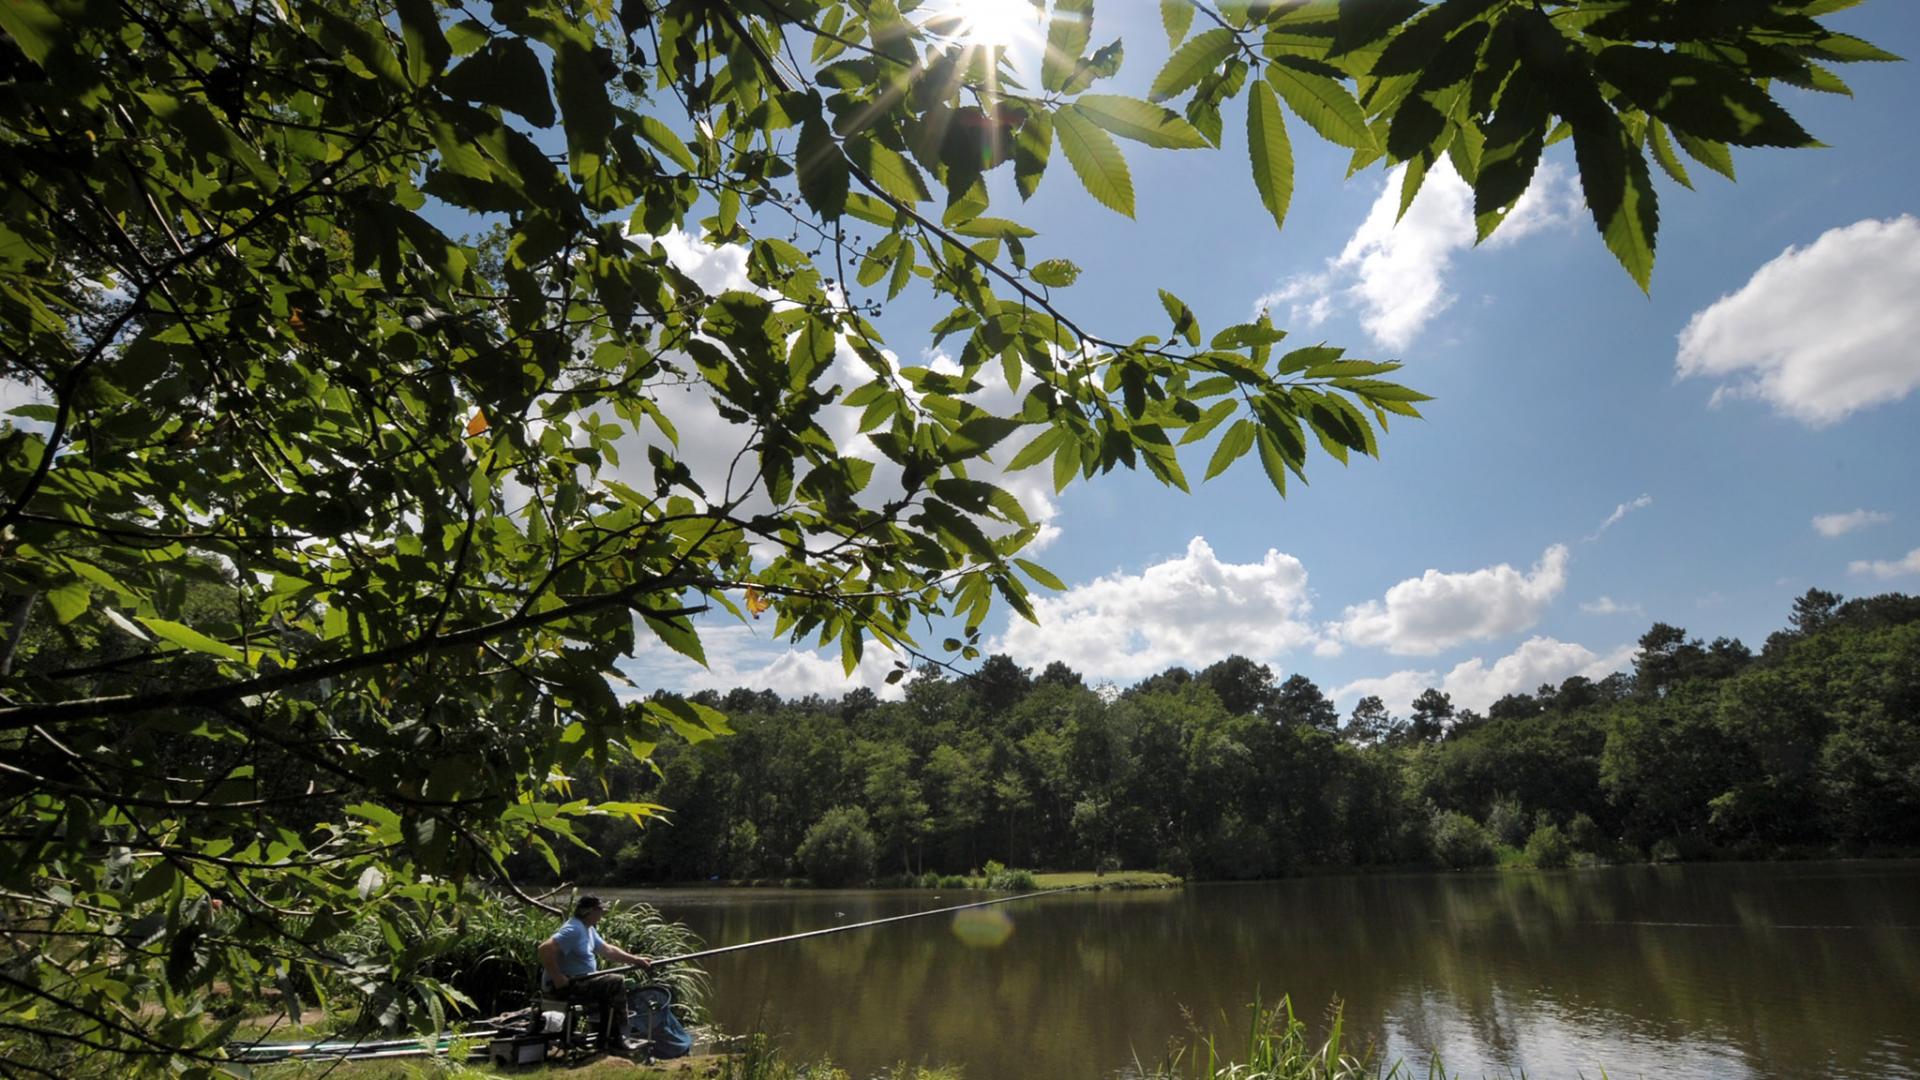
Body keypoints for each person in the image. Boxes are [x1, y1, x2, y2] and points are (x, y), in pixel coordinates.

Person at [537, 895, 652, 1053]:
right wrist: (557, 977)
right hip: (564, 985)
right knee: (615, 981)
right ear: (588, 912)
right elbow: (544, 949)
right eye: (600, 910)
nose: (602, 914)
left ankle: (606, 1039)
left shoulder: (588, 929)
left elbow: (607, 950)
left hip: (580, 981)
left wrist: (635, 960)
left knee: (609, 986)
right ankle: (615, 1039)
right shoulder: (574, 929)